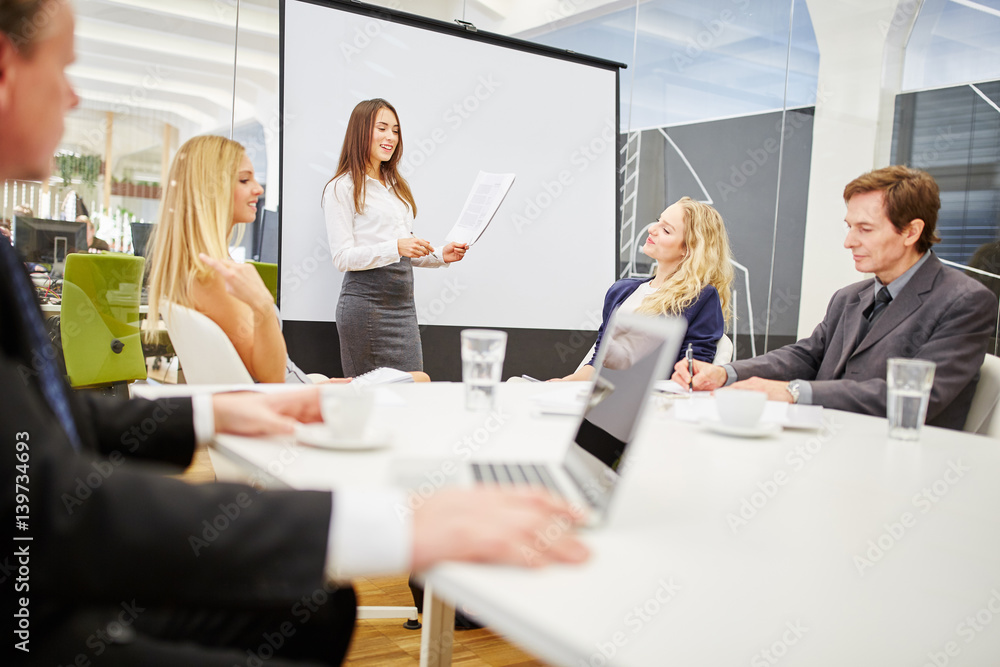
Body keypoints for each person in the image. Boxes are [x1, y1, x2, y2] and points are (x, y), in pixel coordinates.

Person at [0, 2, 588, 664]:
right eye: (64, 67)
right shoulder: (313, 213)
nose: (73, 93)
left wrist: (210, 410)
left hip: (392, 300)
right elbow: (48, 500)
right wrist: (385, 524)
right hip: (33, 617)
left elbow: (45, 417)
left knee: (315, 607)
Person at [673, 166, 997, 430]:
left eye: (865, 229)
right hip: (823, 443)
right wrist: (725, 374)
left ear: (911, 232)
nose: (848, 241)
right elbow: (807, 355)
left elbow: (915, 397)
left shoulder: (964, 301)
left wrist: (791, 391)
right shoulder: (849, 297)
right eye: (849, 226)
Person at [145, 135, 427, 384]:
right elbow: (270, 379)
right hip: (291, 404)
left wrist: (314, 384)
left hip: (299, 390)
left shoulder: (197, 273)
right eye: (244, 180)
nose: (258, 188)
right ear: (209, 190)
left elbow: (273, 372)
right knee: (419, 380)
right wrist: (263, 307)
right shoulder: (216, 279)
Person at [322, 98, 468, 376]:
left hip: (402, 308)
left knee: (413, 389)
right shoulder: (342, 187)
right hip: (365, 306)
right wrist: (396, 245)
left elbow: (402, 251)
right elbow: (342, 258)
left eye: (396, 130)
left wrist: (440, 255)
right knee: (372, 399)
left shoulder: (396, 188)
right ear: (361, 131)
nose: (391, 137)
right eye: (382, 128)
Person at [557, 196, 733, 381]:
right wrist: (561, 384)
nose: (652, 229)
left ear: (688, 249)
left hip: (653, 403)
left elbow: (689, 372)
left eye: (666, 230)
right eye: (658, 221)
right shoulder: (620, 291)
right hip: (603, 397)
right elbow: (598, 364)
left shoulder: (700, 297)